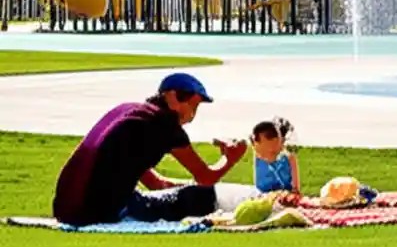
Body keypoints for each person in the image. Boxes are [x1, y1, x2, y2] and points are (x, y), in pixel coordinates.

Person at [52, 72, 247, 226]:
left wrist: (186, 186)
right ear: (172, 97)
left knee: (183, 194)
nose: (192, 115)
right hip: (98, 212)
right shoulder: (166, 125)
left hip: (67, 210)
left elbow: (156, 184)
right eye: (192, 106)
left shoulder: (130, 113)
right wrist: (230, 158)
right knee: (202, 197)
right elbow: (206, 178)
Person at [252, 117, 300, 194]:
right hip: (264, 196)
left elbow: (295, 188)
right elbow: (258, 183)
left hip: (283, 196)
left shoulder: (289, 157)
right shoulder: (259, 154)